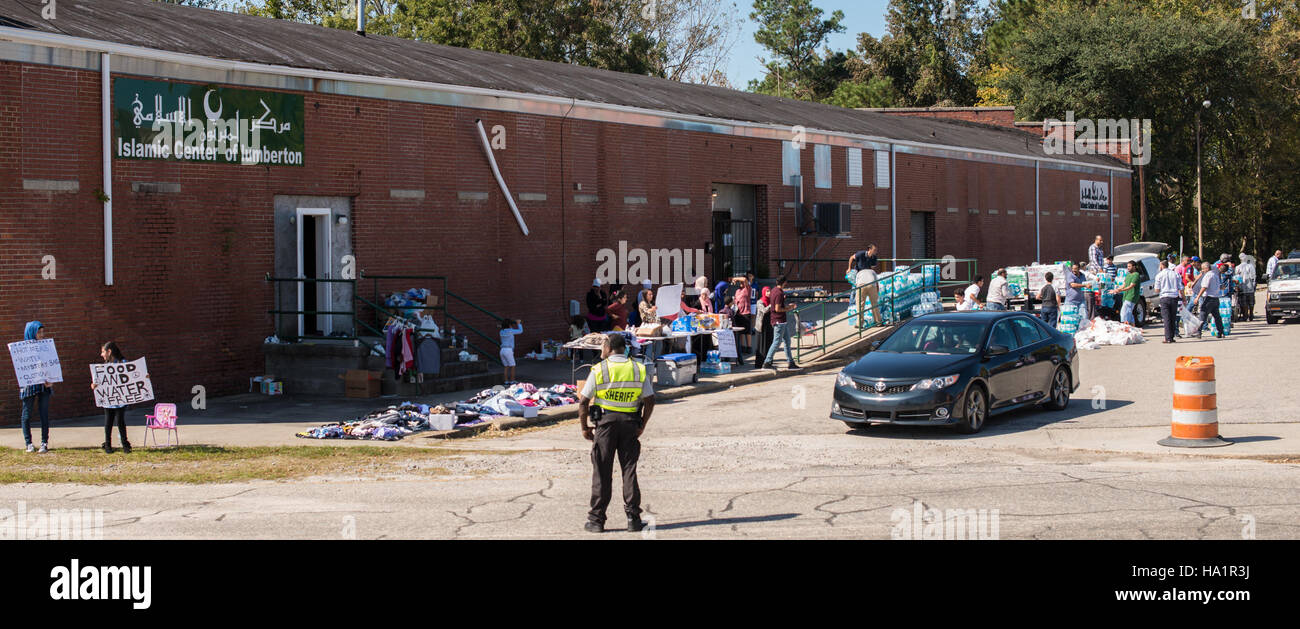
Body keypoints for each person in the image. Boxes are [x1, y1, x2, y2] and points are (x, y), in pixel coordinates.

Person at [578, 333, 655, 533]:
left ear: (609, 348)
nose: (601, 349)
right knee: (629, 470)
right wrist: (643, 425)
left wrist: (585, 427)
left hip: (605, 425)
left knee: (602, 472)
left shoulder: (599, 369)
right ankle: (633, 519)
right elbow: (649, 400)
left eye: (603, 346)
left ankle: (596, 520)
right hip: (630, 424)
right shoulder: (638, 369)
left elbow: (583, 401)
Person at [92, 341, 144, 454]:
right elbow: (98, 383)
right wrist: (94, 386)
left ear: (109, 351)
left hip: (120, 400)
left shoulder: (123, 363)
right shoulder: (104, 367)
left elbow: (134, 376)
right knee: (108, 422)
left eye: (102, 352)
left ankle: (125, 444)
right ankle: (108, 445)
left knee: (120, 421)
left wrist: (144, 377)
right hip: (108, 400)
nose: (101, 354)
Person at [18, 321, 53, 454]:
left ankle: (44, 442)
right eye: (39, 332)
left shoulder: (46, 347)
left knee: (44, 413)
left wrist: (51, 379)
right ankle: (29, 443)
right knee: (26, 414)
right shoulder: (22, 350)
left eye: (42, 332)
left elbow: (51, 365)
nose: (41, 335)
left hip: (44, 385)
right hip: (29, 385)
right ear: (31, 332)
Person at [760, 276, 800, 370]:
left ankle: (790, 362)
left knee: (787, 341)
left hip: (780, 320)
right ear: (784, 282)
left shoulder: (774, 290)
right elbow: (777, 308)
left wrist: (786, 305)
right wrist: (789, 308)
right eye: (786, 282)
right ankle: (767, 362)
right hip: (779, 320)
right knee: (777, 342)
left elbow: (776, 305)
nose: (786, 284)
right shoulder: (779, 293)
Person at [847, 244, 881, 328]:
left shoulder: (874, 258)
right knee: (874, 303)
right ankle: (878, 322)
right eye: (874, 250)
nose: (875, 252)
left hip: (862, 280)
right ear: (869, 249)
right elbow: (851, 258)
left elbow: (872, 269)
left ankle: (859, 323)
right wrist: (849, 268)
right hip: (865, 278)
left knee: (860, 304)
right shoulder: (860, 254)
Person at [1193, 261, 1226, 338]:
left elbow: (1204, 287)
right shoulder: (1215, 275)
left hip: (1208, 298)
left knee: (1202, 315)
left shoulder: (1208, 275)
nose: (1202, 270)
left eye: (1203, 269)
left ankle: (1198, 332)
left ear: (1207, 268)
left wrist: (1197, 297)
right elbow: (1218, 286)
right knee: (1217, 316)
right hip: (1216, 298)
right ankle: (1221, 332)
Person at [1155, 259, 1182, 343]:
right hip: (1174, 297)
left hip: (1164, 298)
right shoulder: (1175, 274)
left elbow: (1157, 290)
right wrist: (1183, 298)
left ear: (1162, 265)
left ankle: (1168, 338)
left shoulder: (1159, 275)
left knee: (1166, 318)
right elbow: (1180, 287)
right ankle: (1172, 336)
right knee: (1173, 317)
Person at [729, 274, 754, 364]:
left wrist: (734, 278)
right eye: (739, 282)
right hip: (738, 313)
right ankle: (742, 347)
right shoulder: (737, 291)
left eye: (742, 282)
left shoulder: (747, 289)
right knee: (740, 332)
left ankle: (749, 347)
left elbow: (744, 279)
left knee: (747, 331)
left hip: (746, 312)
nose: (741, 283)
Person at [1110, 260, 1141, 326]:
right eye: (1127, 266)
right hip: (1126, 296)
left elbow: (1131, 286)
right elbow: (1124, 284)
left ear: (1134, 267)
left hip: (1131, 296)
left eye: (1129, 266)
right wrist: (1116, 290)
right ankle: (1133, 329)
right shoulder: (1128, 274)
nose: (1128, 268)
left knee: (1124, 313)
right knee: (1129, 314)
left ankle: (1125, 327)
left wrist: (1120, 290)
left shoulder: (1136, 275)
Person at [499, 318, 523, 382]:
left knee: (506, 366)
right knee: (512, 366)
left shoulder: (501, 331)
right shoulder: (510, 331)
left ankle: (506, 381)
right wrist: (518, 323)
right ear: (509, 325)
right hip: (508, 350)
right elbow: (520, 331)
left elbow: (503, 327)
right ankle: (512, 380)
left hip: (502, 350)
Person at [754, 286, 773, 364]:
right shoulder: (760, 302)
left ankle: (768, 362)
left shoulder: (771, 301)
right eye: (767, 291)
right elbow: (764, 311)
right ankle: (760, 363)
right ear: (764, 292)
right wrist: (771, 305)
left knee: (769, 343)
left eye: (770, 291)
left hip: (769, 325)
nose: (769, 293)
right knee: (762, 344)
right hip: (761, 326)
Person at [1236, 253, 1257, 322]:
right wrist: (1254, 286)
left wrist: (1237, 286)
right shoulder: (1251, 266)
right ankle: (1251, 314)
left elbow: (1236, 278)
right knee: (1251, 302)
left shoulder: (1238, 267)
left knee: (1244, 303)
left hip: (1242, 287)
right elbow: (1253, 277)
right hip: (1250, 287)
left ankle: (1246, 316)